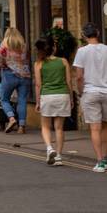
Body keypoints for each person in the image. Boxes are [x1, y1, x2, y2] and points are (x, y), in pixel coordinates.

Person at [73, 22, 107, 173]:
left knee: (95, 128)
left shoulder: (82, 52)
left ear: (84, 36)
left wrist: (81, 92)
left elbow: (79, 77)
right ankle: (106, 159)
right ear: (98, 33)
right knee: (105, 125)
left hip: (90, 91)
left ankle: (99, 162)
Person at [33, 37, 71, 167]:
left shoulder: (39, 64)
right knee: (59, 128)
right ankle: (59, 156)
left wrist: (37, 101)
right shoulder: (64, 61)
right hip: (62, 95)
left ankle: (49, 148)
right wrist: (71, 98)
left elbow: (38, 85)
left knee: (45, 126)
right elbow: (68, 82)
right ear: (53, 48)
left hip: (47, 96)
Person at [0, 26, 33, 134]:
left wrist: (3, 65)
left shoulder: (4, 46)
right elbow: (27, 59)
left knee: (4, 99)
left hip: (9, 74)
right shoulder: (23, 46)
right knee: (22, 100)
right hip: (24, 75)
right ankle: (21, 126)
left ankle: (11, 119)